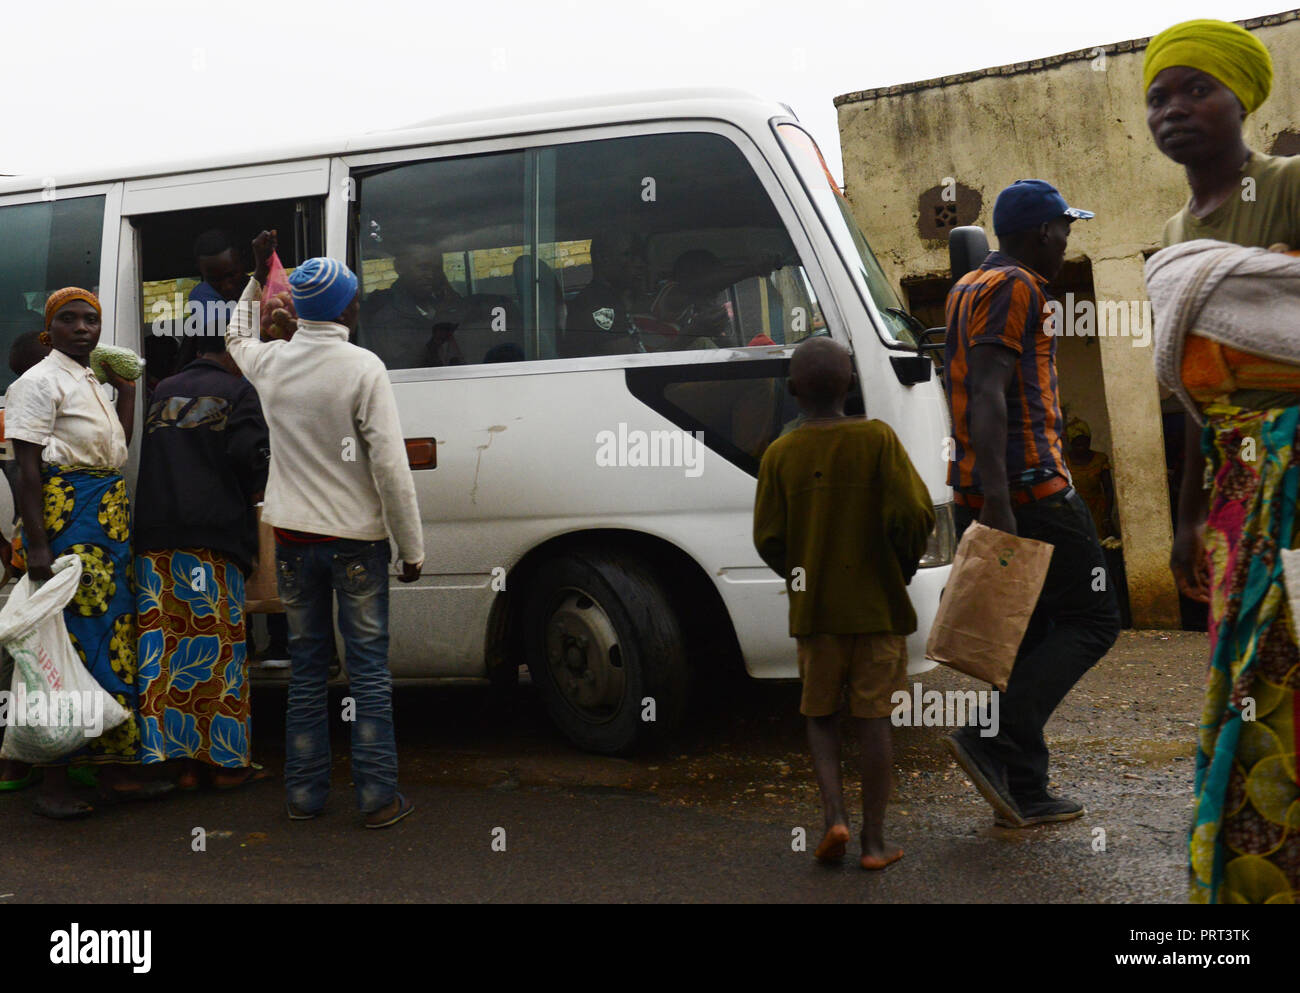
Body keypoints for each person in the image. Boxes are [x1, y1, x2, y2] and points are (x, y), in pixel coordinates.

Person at [1143, 17, 1300, 904]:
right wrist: (1187, 514)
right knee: (1249, 670)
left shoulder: (1289, 184)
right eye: (1160, 97)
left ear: (1243, 96)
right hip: (1237, 489)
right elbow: (1193, 398)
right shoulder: (1173, 231)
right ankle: (1258, 854)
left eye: (1197, 89)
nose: (1176, 110)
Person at [225, 230, 424, 828]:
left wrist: (257, 278)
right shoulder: (362, 367)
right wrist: (411, 547)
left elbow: (236, 335)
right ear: (347, 308)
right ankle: (377, 798)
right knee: (367, 672)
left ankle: (305, 796)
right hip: (357, 542)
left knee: (308, 671)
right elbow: (388, 464)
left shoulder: (271, 362)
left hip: (291, 543)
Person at [942, 180, 1120, 828]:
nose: (1067, 242)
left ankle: (1023, 786)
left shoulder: (968, 287)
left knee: (1031, 632)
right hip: (1028, 489)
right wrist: (999, 498)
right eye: (1064, 230)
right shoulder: (1016, 286)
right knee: (1096, 619)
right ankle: (990, 735)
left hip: (990, 487)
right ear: (1042, 231)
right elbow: (988, 391)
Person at [753, 337, 934, 870]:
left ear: (791, 392)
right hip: (877, 611)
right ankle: (875, 844)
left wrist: (803, 578)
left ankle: (834, 818)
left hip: (816, 615)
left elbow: (768, 538)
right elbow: (915, 514)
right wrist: (896, 568)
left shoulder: (779, 454)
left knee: (821, 716)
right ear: (851, 384)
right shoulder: (878, 439)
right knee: (874, 720)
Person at [5, 288, 173, 818]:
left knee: (111, 639)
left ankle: (115, 772)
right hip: (66, 519)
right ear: (48, 330)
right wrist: (36, 544)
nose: (83, 328)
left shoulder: (90, 381)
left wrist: (125, 393)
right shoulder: (37, 382)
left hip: (106, 521)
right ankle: (55, 782)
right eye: (70, 320)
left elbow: (114, 449)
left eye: (91, 320)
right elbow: (27, 469)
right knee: (66, 642)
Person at [133, 327, 272, 790]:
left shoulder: (165, 390)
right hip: (210, 541)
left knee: (167, 654)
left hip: (155, 541)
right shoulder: (238, 390)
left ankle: (181, 765)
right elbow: (250, 458)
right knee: (217, 653)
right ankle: (227, 764)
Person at [0, 330, 50, 794]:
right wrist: (28, 549)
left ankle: (19, 759)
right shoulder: (32, 397)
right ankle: (18, 760)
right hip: (27, 550)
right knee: (26, 658)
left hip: (19, 551)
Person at [1064, 417, 1116, 539]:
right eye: (1077, 444)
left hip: (1097, 511)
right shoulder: (1064, 461)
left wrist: (1107, 515)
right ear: (1071, 443)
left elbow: (1108, 490)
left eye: (1085, 443)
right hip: (1074, 511)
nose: (1082, 447)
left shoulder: (1100, 460)